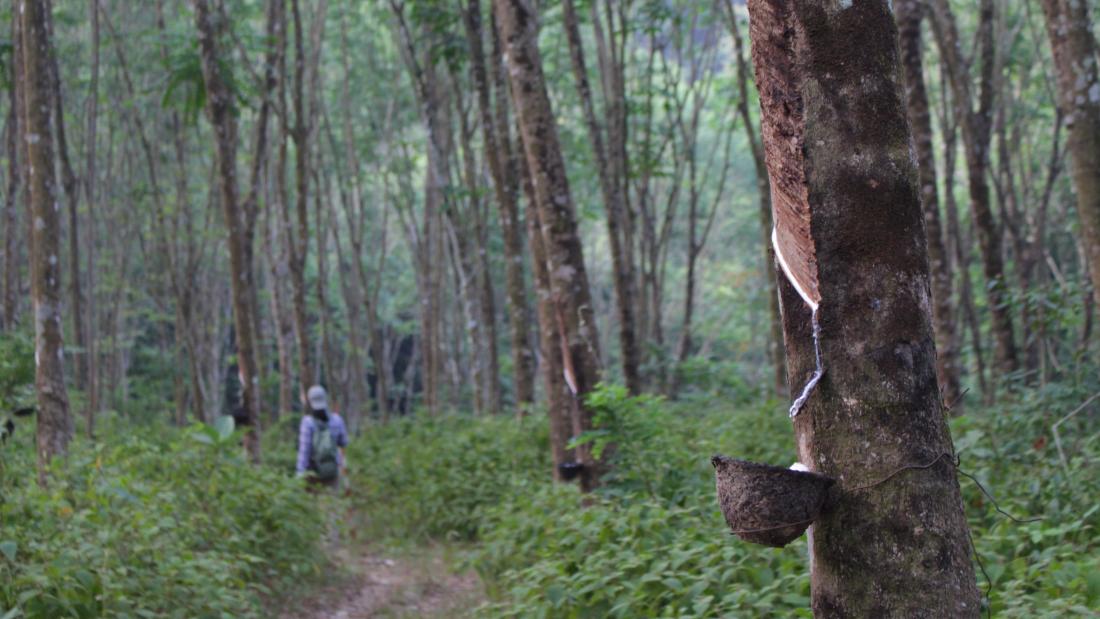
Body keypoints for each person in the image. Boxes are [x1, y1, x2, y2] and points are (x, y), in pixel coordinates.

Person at [296, 385, 349, 487]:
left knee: (313, 501)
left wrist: (300, 474)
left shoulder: (307, 423)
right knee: (331, 501)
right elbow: (343, 444)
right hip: (332, 472)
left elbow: (304, 452)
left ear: (310, 401)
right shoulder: (337, 420)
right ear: (325, 398)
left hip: (312, 474)